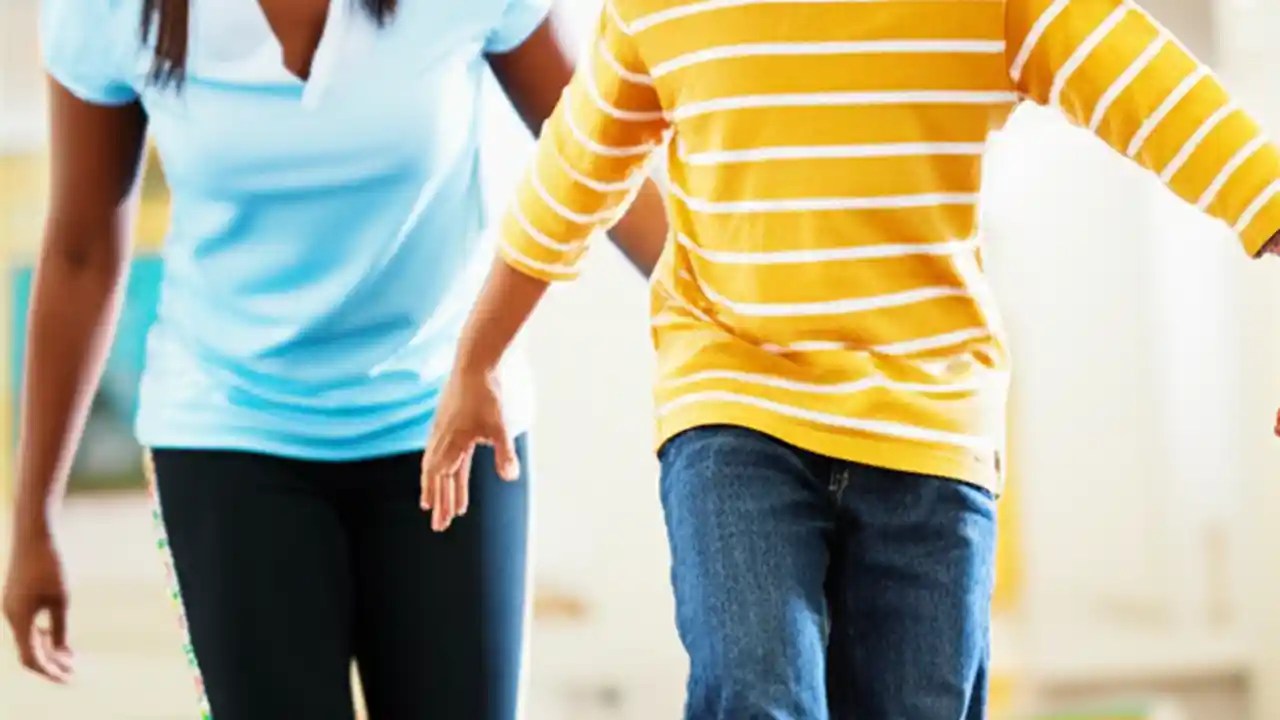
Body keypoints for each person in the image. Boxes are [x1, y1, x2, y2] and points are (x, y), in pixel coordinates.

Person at [422, 0, 1280, 717]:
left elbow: (1165, 101)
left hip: (926, 421)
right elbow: (575, 171)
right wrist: (478, 359)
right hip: (734, 403)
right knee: (757, 688)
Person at [1, 0, 666, 718]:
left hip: (443, 423)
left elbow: (598, 161)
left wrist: (734, 320)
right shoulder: (106, 10)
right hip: (229, 434)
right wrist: (35, 518)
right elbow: (80, 253)